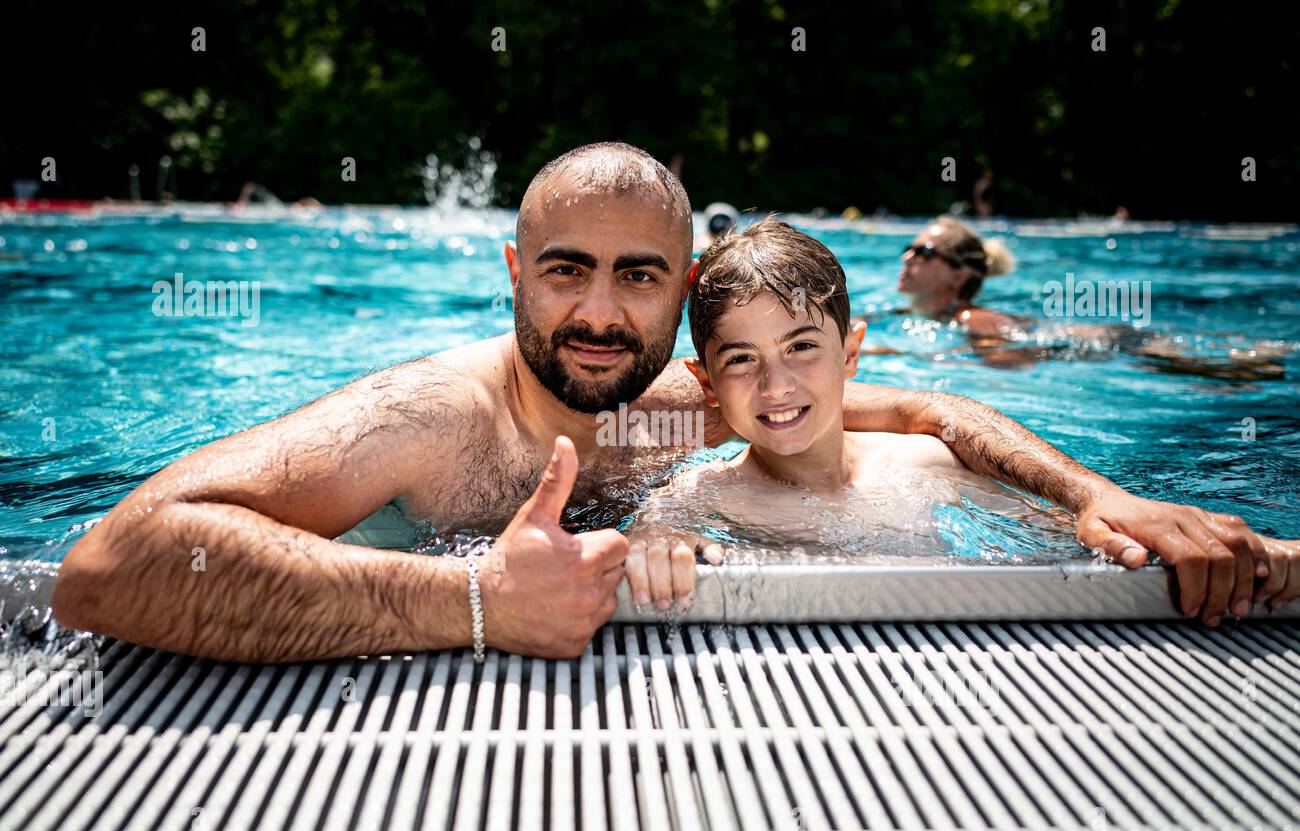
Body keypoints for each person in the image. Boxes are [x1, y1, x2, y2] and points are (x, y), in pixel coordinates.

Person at [51, 143, 1295, 664]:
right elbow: (108, 565)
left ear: (682, 291)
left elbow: (924, 415)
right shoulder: (439, 420)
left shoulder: (699, 400)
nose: (598, 313)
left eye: (637, 276)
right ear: (511, 276)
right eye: (565, 271)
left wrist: (1104, 498)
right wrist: (473, 599)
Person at [625, 219, 1300, 608]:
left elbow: (1086, 546)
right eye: (740, 359)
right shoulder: (698, 495)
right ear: (705, 382)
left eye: (802, 346)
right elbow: (651, 542)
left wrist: (1256, 560)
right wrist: (652, 542)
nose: (776, 385)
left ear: (852, 351)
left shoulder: (928, 463)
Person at [891, 216, 1288, 378]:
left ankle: (1259, 360)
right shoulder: (930, 317)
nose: (908, 258)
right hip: (1092, 341)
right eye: (909, 248)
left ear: (958, 276)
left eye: (924, 253)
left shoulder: (973, 321)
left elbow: (1011, 364)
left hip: (1106, 343)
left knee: (1221, 368)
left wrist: (938, 357)